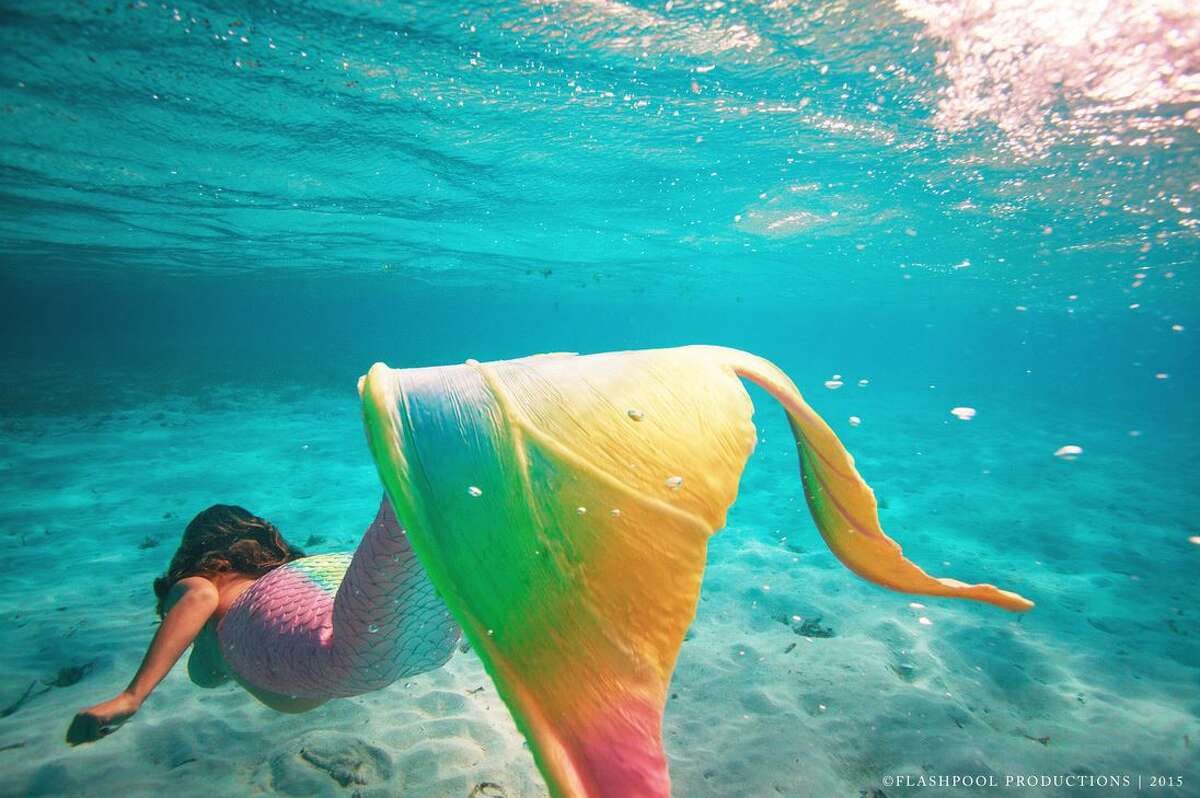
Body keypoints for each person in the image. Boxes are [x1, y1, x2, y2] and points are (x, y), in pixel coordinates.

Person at [66, 497, 460, 746]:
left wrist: (131, 696)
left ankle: (420, 499)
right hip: (350, 606)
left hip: (339, 655)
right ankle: (437, 504)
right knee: (401, 562)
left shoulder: (203, 581)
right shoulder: (272, 576)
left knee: (393, 564)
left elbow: (200, 598)